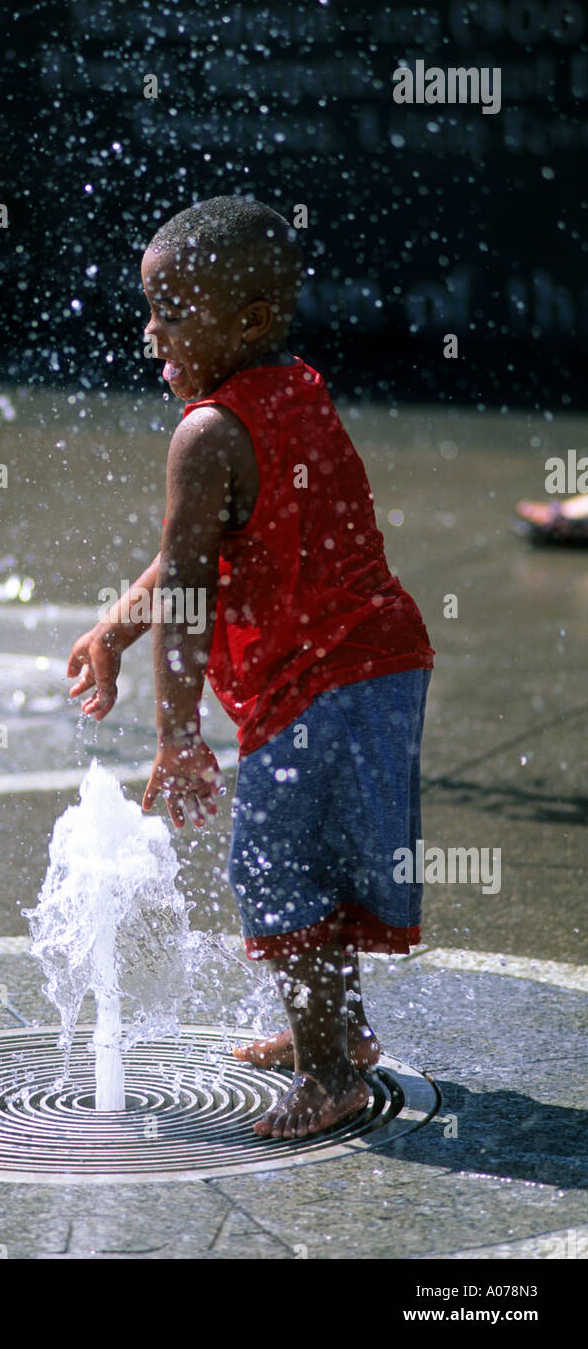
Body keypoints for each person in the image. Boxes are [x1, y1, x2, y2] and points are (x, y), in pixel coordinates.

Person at [66, 197, 434, 1140]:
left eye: (175, 312)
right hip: (380, 662)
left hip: (320, 683)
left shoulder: (207, 432)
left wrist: (178, 736)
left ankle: (326, 1076)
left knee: (277, 869)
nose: (153, 333)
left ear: (252, 318)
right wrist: (114, 629)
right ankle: (340, 1031)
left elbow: (190, 591)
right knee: (317, 856)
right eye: (151, 309)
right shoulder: (297, 388)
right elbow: (195, 554)